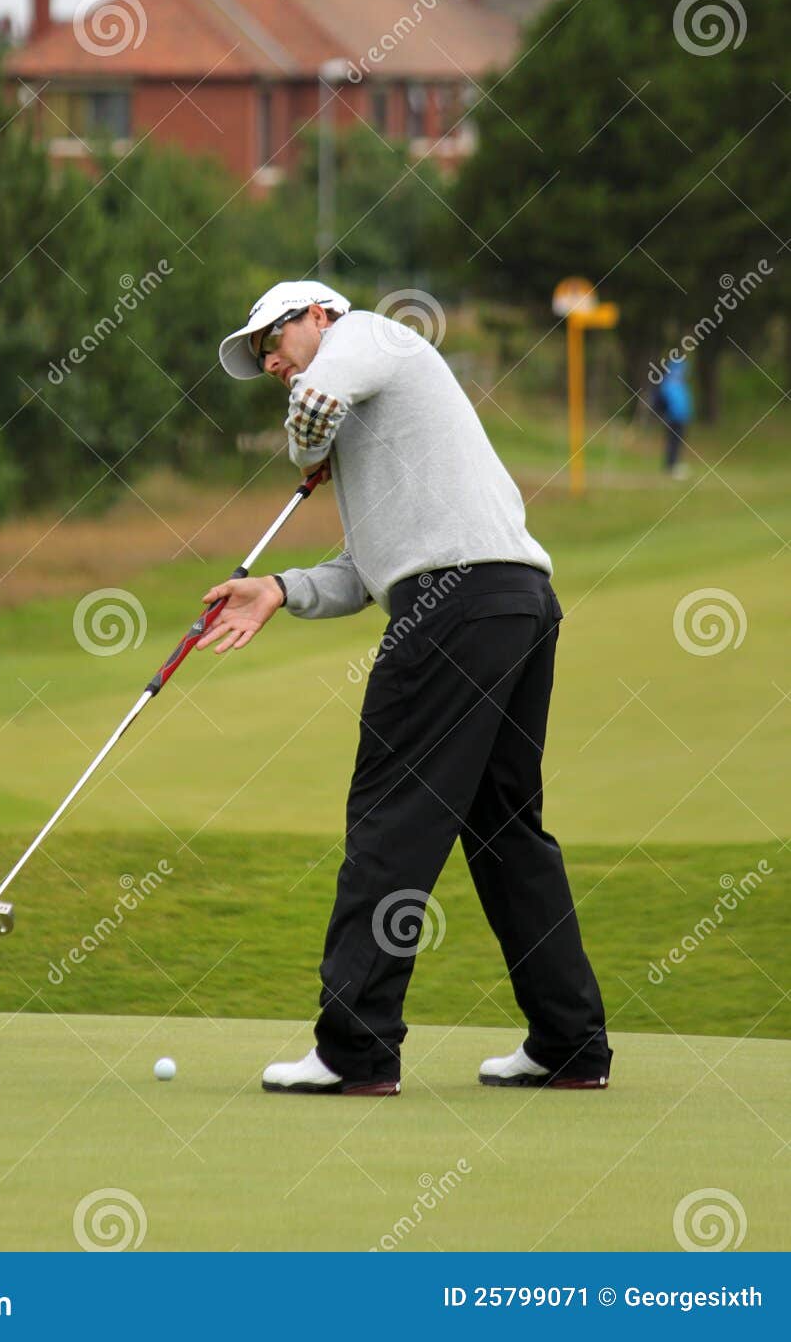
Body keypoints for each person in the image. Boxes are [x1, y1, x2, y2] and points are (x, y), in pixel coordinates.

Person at [198, 280, 612, 1098]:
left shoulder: (370, 340)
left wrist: (306, 451)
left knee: (391, 817)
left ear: (317, 315)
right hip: (514, 603)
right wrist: (278, 588)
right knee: (503, 830)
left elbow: (314, 397)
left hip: (458, 608)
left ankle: (354, 1050)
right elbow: (369, 571)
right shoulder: (370, 420)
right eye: (258, 357)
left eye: (270, 342)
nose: (270, 362)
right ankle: (569, 1042)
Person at [651, 357, 693, 479]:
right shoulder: (668, 383)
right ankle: (670, 467)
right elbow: (660, 402)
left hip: (681, 418)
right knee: (672, 443)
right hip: (672, 419)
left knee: (677, 442)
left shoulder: (680, 383)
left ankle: (674, 464)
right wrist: (661, 414)